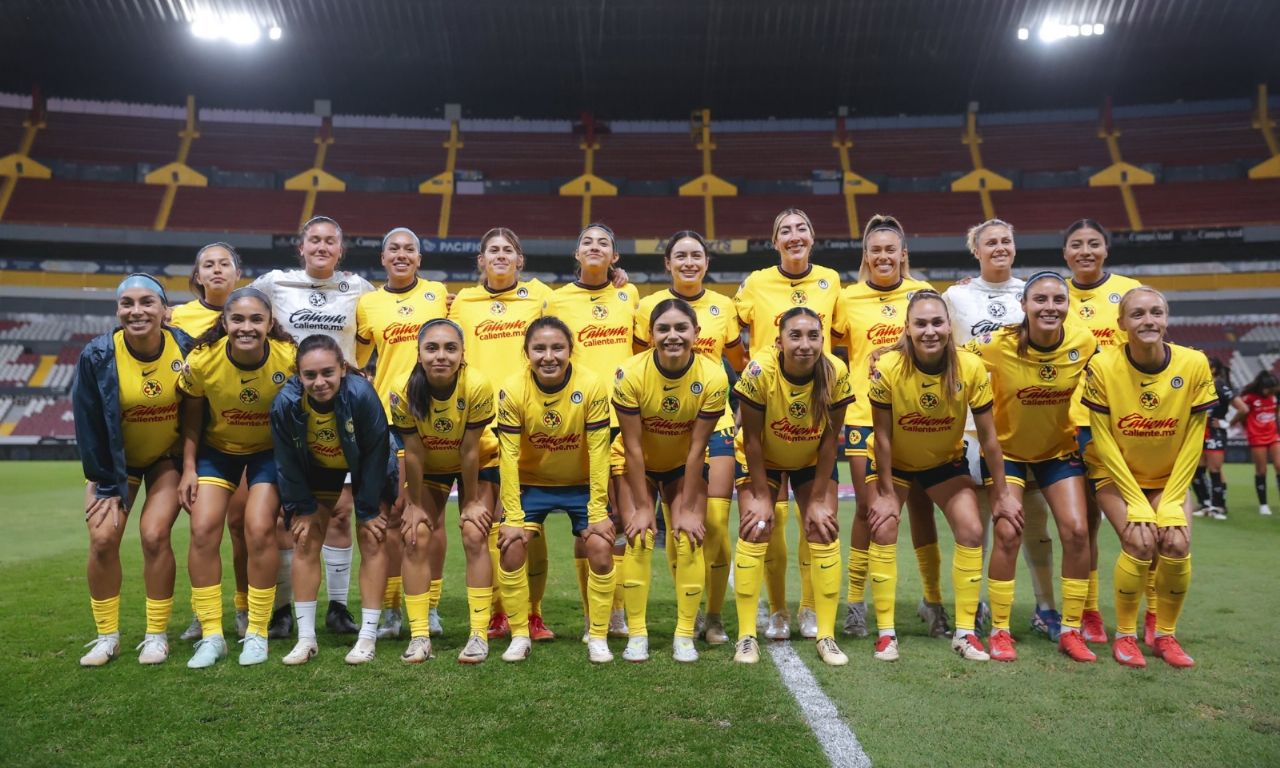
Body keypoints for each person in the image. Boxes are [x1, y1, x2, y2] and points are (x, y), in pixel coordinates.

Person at [865, 290, 1016, 662]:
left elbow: (989, 438)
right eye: (921, 323)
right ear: (907, 328)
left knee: (972, 529)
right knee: (883, 526)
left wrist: (1002, 492)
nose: (929, 331)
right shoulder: (887, 368)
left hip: (944, 463)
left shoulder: (970, 368)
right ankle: (886, 634)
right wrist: (885, 491)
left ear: (950, 326)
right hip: (895, 464)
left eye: (937, 322)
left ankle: (965, 633)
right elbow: (882, 437)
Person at [963, 272, 1098, 663]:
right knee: (1007, 531)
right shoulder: (996, 343)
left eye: (1058, 299)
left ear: (1068, 305)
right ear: (1023, 304)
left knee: (1076, 531)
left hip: (1058, 454)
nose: (1050, 307)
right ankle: (1002, 630)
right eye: (1040, 299)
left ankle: (1071, 629)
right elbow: (950, 356)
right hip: (1007, 455)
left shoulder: (1083, 343)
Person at [253, 215, 374, 637]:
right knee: (291, 514)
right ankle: (284, 609)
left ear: (341, 250)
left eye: (330, 241)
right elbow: (237, 311)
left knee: (341, 512)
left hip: (341, 409)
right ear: (300, 247)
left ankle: (338, 608)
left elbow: (392, 318)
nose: (322, 246)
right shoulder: (273, 283)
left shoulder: (358, 288)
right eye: (314, 240)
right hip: (290, 408)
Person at [1081, 286, 1214, 668]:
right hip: (1115, 474)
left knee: (1175, 541)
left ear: (1167, 319)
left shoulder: (1194, 364)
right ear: (1121, 324)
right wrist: (1137, 501)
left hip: (1168, 478)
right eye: (1137, 314)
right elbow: (1102, 439)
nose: (1148, 320)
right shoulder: (1103, 366)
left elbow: (1194, 438)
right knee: (1140, 540)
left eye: (1156, 312)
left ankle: (1165, 636)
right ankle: (1125, 636)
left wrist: (1171, 500)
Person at [835, 214, 951, 640]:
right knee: (870, 509)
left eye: (891, 250)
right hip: (864, 417)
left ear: (903, 255)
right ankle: (855, 604)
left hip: (918, 419)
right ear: (866, 256)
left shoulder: (923, 295)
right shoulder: (847, 299)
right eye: (875, 250)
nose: (883, 256)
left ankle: (933, 601)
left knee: (921, 508)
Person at [942, 219, 1058, 641]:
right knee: (979, 525)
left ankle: (1046, 606)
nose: (1000, 247)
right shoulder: (956, 296)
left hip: (1024, 428)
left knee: (1033, 522)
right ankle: (974, 606)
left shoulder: (1031, 293)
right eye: (990, 242)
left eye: (1006, 240)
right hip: (972, 427)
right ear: (975, 250)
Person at [733, 208, 845, 641]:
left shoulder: (832, 281)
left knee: (816, 517)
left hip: (813, 408)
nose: (794, 235)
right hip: (767, 404)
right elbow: (723, 318)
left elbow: (850, 329)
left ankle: (810, 609)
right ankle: (778, 609)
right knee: (769, 519)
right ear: (774, 241)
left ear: (813, 237)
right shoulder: (756, 283)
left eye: (801, 228)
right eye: (785, 230)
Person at [73, 274, 195, 666]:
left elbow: (198, 409)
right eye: (127, 303)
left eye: (147, 302)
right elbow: (88, 422)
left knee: (155, 535)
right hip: (115, 464)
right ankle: (106, 636)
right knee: (104, 538)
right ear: (118, 310)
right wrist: (106, 485)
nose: (137, 310)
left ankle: (156, 635)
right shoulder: (97, 355)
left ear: (164, 309)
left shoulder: (186, 348)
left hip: (165, 459)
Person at [634, 231, 745, 645]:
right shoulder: (645, 306)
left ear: (706, 262)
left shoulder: (724, 306)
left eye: (696, 255)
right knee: (675, 524)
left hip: (712, 422)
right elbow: (640, 361)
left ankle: (714, 617)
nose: (688, 262)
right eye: (680, 255)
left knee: (713, 523)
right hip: (663, 425)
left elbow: (737, 365)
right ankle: (691, 612)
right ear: (667, 263)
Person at [177, 287, 296, 668]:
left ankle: (257, 632)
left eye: (256, 320)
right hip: (218, 452)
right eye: (238, 320)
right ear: (224, 323)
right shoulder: (202, 360)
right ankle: (213, 635)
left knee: (259, 529)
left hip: (267, 452)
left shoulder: (289, 358)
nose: (247, 327)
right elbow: (192, 417)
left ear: (269, 323)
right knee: (203, 529)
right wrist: (189, 468)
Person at [732, 307, 853, 666]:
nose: (805, 344)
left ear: (822, 338)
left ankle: (827, 635)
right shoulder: (759, 370)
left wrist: (816, 499)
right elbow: (751, 439)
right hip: (763, 458)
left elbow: (832, 441)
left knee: (823, 527)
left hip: (812, 458)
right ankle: (745, 637)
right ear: (779, 341)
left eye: (813, 336)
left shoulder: (836, 373)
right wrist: (760, 497)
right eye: (795, 336)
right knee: (756, 528)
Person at [448, 227, 552, 639]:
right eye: (492, 249)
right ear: (481, 260)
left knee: (531, 524)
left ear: (520, 260)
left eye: (509, 249)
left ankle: (533, 612)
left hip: (530, 421)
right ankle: (496, 612)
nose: (501, 255)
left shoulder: (542, 296)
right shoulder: (463, 303)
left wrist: (616, 279)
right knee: (490, 524)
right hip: (481, 424)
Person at [494, 317, 617, 663]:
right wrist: (513, 516)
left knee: (600, 546)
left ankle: (598, 635)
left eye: (557, 348)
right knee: (512, 545)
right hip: (532, 483)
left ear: (570, 350)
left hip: (579, 484)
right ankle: (519, 635)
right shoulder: (512, 388)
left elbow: (598, 451)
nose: (549, 356)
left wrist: (597, 511)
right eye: (540, 348)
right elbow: (509, 455)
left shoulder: (591, 384)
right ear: (527, 352)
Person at [271, 334, 397, 665]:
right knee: (306, 539)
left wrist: (368, 509)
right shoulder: (285, 403)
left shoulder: (361, 394)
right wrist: (304, 508)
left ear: (343, 368)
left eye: (327, 372)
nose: (319, 382)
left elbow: (376, 453)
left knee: (372, 537)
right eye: (309, 375)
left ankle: (367, 637)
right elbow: (286, 461)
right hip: (319, 468)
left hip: (367, 464)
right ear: (298, 375)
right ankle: (306, 639)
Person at [615, 298, 729, 662]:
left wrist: (693, 507)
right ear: (650, 335)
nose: (672, 336)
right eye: (663, 329)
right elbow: (632, 447)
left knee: (690, 536)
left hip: (683, 463)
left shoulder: (713, 376)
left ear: (697, 333)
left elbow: (698, 448)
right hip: (638, 464)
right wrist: (644, 507)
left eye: (681, 328)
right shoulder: (629, 374)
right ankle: (637, 634)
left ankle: (684, 635)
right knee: (639, 536)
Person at [543, 223, 638, 644]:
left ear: (615, 258)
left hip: (622, 418)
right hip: (576, 419)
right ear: (577, 254)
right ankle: (590, 614)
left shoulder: (628, 294)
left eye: (604, 243)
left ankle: (615, 610)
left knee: (616, 517)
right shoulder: (556, 299)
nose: (595, 247)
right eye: (587, 242)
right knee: (586, 523)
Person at [356, 227, 449, 640]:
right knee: (393, 515)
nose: (401, 254)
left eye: (409, 248)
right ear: (382, 258)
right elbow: (356, 359)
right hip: (388, 421)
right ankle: (392, 609)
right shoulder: (368, 304)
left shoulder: (440, 293)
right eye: (393, 248)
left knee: (433, 516)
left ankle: (428, 607)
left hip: (432, 415)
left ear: (419, 258)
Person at [390, 319, 500, 664]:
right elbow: (414, 450)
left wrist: (470, 502)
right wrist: (414, 505)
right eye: (432, 348)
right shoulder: (402, 389)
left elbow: (470, 450)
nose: (441, 356)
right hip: (431, 464)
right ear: (419, 354)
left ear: (463, 354)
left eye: (450, 348)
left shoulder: (477, 384)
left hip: (478, 462)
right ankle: (420, 635)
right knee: (415, 535)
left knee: (473, 532)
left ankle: (479, 635)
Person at [169, 242, 258, 643]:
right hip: (195, 436)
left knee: (241, 525)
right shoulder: (177, 316)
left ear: (238, 274)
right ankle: (201, 612)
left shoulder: (251, 311)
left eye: (225, 264)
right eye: (209, 264)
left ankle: (243, 608)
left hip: (243, 434)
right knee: (203, 529)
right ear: (198, 275)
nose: (217, 270)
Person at [1062, 218, 1143, 644]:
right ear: (1066, 253)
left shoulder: (1129, 292)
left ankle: (1148, 613)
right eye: (1077, 245)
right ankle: (1089, 611)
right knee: (1085, 524)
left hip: (1127, 423)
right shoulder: (1057, 294)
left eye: (1094, 243)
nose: (1085, 251)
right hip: (1075, 421)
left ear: (1106, 250)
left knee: (1142, 520)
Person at [1191, 358, 1237, 520]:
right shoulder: (1199, 383)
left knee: (1215, 469)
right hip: (1197, 431)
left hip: (1213, 433)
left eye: (1207, 366)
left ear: (1215, 369)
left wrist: (1225, 423)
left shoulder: (1220, 386)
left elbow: (1242, 408)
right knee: (1197, 470)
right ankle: (1206, 504)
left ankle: (1219, 506)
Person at [1233, 371, 1279, 516]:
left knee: (1279, 465)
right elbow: (1241, 414)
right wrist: (1245, 427)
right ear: (1261, 386)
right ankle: (1263, 504)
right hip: (1257, 437)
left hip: (1273, 435)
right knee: (1262, 470)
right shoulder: (1249, 397)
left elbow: (1276, 413)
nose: (1271, 391)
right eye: (1269, 388)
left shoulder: (1275, 396)